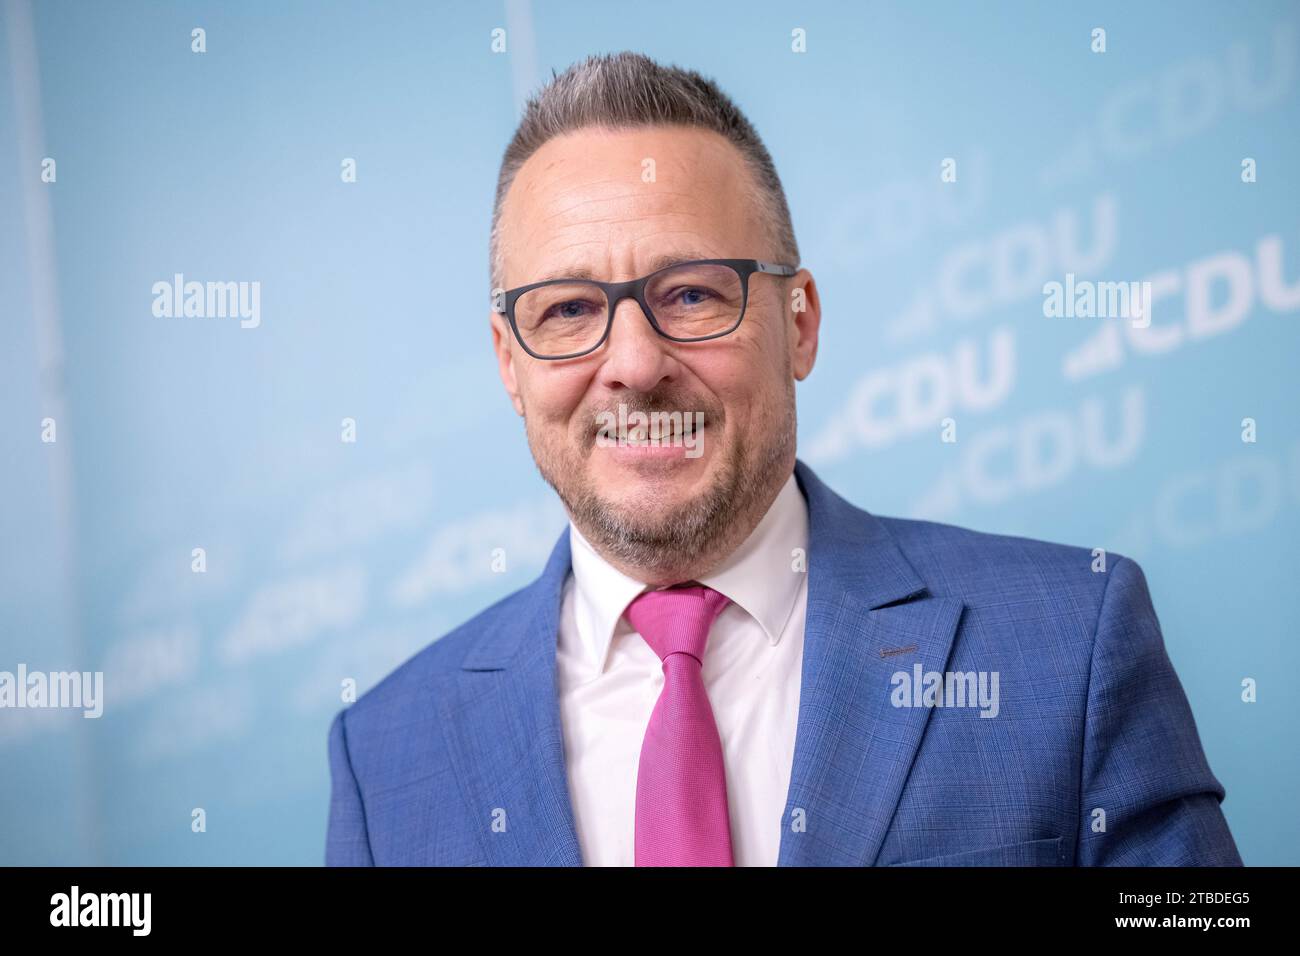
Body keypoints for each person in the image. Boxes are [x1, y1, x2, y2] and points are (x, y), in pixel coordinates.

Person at [326, 51, 1241, 867]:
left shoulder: (1070, 645)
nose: (637, 365)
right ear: (507, 363)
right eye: (567, 311)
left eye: (691, 293)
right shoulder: (385, 758)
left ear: (798, 323)